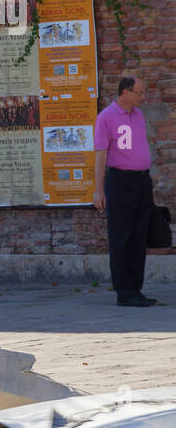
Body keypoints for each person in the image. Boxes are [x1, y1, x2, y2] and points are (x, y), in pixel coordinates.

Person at [94, 77, 156, 307]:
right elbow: (100, 155)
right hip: (120, 182)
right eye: (139, 92)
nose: (143, 96)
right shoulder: (106, 118)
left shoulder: (138, 115)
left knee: (140, 236)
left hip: (141, 181)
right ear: (125, 93)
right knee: (121, 237)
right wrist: (98, 189)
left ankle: (136, 289)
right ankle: (124, 291)